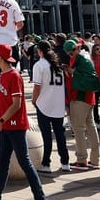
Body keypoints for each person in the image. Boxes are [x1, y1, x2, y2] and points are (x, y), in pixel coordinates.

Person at [0, 43, 52, 200]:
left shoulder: (13, 75)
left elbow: (17, 104)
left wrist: (1, 120)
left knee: (25, 162)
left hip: (15, 126)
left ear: (1, 58)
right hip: (7, 126)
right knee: (3, 163)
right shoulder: (3, 74)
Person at [30, 40, 69, 174]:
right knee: (60, 135)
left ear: (40, 51)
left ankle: (46, 163)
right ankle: (65, 162)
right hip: (58, 104)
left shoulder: (39, 65)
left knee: (46, 136)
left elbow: (37, 86)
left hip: (44, 103)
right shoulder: (57, 65)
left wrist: (34, 100)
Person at [64, 39, 100, 170]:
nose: (71, 54)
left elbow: (86, 77)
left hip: (81, 98)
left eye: (72, 51)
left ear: (77, 48)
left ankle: (82, 160)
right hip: (88, 98)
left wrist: (72, 72)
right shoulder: (84, 57)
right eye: (69, 52)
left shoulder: (82, 60)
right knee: (90, 127)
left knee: (78, 128)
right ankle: (94, 160)